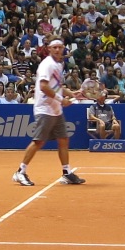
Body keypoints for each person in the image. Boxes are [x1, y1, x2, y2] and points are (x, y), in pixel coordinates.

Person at [12, 40, 85, 186]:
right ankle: (20, 172)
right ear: (49, 49)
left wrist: (71, 92)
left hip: (56, 110)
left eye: (60, 47)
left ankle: (66, 173)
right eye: (55, 47)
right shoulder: (47, 64)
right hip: (44, 109)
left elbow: (56, 86)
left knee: (63, 139)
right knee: (38, 141)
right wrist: (61, 99)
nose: (58, 50)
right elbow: (44, 87)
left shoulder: (59, 64)